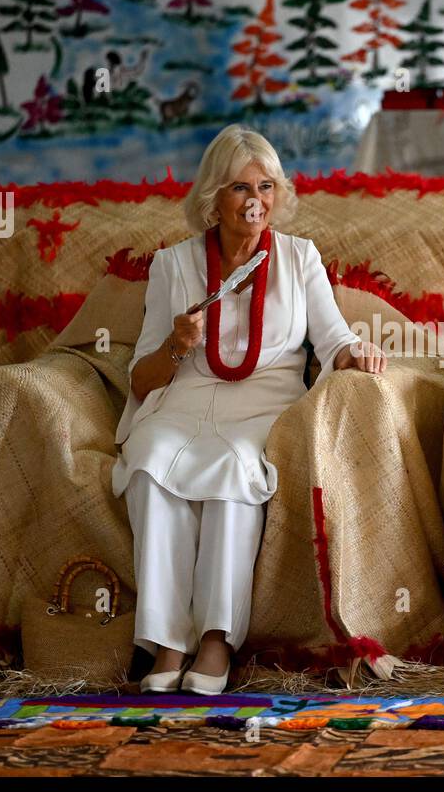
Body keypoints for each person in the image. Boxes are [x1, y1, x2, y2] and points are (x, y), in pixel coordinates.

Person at [112, 124, 386, 695]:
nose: (255, 201)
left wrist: (355, 350)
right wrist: (175, 344)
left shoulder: (300, 258)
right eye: (240, 189)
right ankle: (166, 642)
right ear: (214, 196)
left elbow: (333, 339)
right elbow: (141, 378)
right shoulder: (174, 265)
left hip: (264, 405)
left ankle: (215, 641)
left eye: (266, 187)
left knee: (237, 466)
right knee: (150, 459)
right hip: (184, 400)